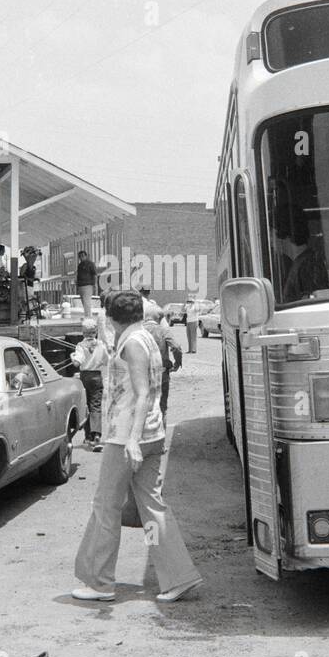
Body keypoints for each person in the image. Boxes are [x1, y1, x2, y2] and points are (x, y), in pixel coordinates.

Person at [72, 290, 202, 604]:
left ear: (111, 317)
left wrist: (131, 439)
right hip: (152, 433)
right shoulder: (144, 338)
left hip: (127, 437)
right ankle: (177, 576)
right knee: (152, 506)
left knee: (106, 507)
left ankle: (101, 583)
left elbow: (142, 394)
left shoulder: (131, 344)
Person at [71, 317, 108, 451]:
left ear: (83, 332)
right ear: (96, 331)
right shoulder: (101, 345)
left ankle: (88, 437)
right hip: (96, 376)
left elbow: (77, 363)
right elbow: (106, 360)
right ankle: (96, 435)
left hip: (84, 377)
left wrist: (73, 357)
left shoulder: (80, 346)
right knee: (96, 405)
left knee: (85, 405)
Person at [143, 305, 182, 416]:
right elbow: (176, 347)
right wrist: (177, 363)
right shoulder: (163, 331)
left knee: (144, 408)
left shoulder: (138, 331)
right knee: (161, 409)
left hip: (142, 373)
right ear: (160, 319)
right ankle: (161, 432)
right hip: (162, 372)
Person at [75, 250, 98, 317]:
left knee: (86, 301)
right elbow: (78, 276)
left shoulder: (90, 264)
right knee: (83, 302)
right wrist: (77, 285)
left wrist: (95, 284)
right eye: (80, 256)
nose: (81, 257)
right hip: (80, 286)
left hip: (88, 285)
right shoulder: (79, 266)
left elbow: (95, 274)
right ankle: (88, 316)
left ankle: (88, 317)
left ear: (86, 256)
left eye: (82, 256)